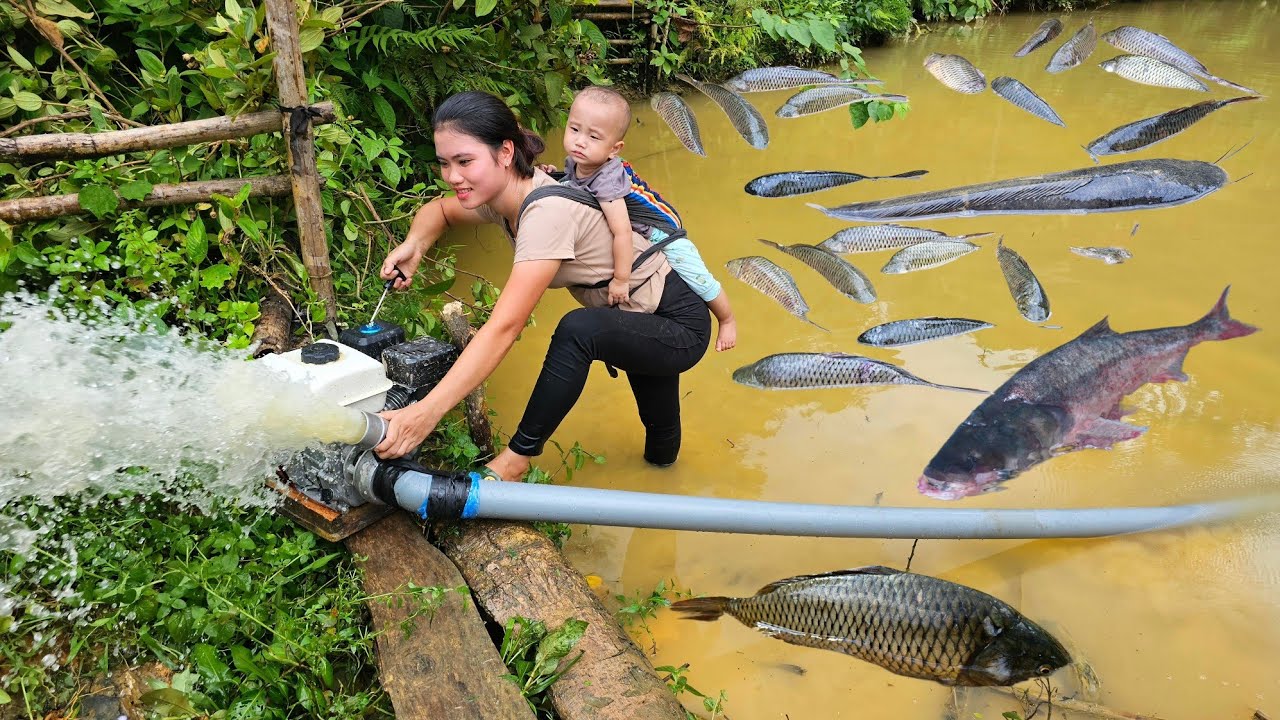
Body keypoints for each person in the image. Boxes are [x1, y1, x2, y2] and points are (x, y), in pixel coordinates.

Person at [374, 90, 712, 483]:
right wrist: (414, 245)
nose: (453, 177)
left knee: (578, 330)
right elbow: (438, 211)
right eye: (445, 163)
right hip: (635, 313)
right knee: (661, 444)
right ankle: (664, 488)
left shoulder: (545, 213)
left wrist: (424, 414)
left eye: (465, 161)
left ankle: (515, 461)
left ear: (504, 153)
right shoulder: (503, 192)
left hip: (677, 322)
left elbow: (505, 326)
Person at [557, 86, 736, 352]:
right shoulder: (577, 161)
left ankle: (727, 318)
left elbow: (622, 232)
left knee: (699, 278)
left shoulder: (606, 179)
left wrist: (620, 280)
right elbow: (573, 183)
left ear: (614, 149)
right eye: (574, 129)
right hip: (642, 225)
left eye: (593, 136)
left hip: (662, 232)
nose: (580, 141)